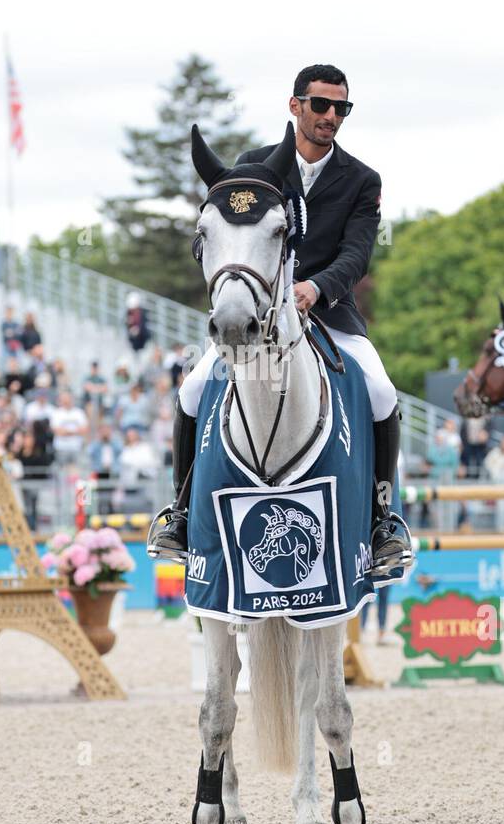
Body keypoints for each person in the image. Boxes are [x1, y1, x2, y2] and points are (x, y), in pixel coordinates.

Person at [148, 63, 412, 578]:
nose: (331, 116)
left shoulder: (362, 180)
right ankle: (179, 513)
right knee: (192, 389)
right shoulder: (251, 167)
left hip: (330, 313)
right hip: (256, 314)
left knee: (382, 392)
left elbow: (357, 254)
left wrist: (317, 287)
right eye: (321, 105)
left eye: (341, 109)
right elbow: (224, 235)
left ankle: (384, 521)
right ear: (296, 106)